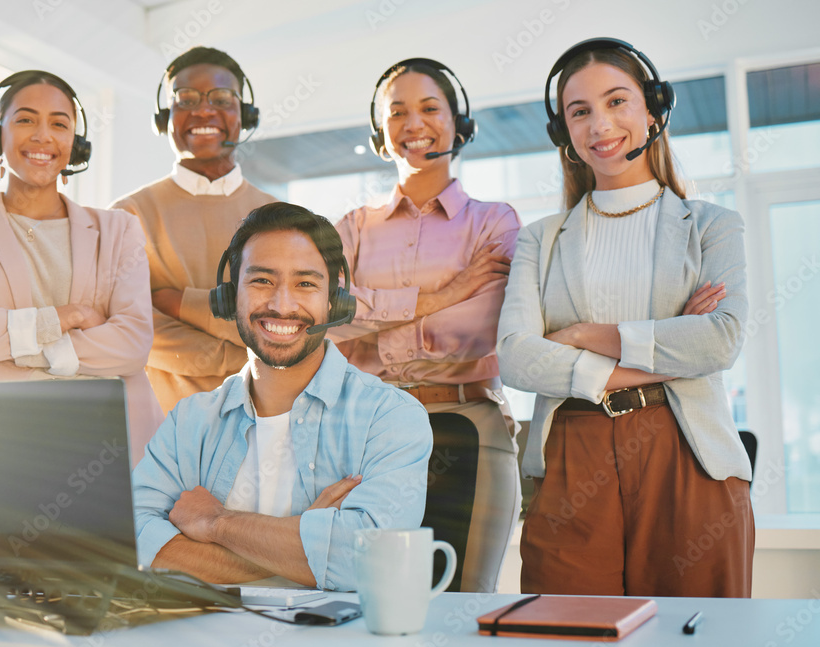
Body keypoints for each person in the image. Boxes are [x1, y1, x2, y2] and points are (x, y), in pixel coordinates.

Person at [496, 38, 752, 597]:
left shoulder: (713, 225)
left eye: (617, 102)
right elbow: (516, 357)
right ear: (564, 132)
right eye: (579, 111)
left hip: (688, 452)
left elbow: (721, 339)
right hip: (572, 447)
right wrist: (667, 350)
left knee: (700, 642)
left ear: (652, 110)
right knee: (564, 634)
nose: (600, 124)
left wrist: (586, 337)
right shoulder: (539, 239)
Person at [132, 202, 433, 590]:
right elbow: (136, 545)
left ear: (333, 300)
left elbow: (370, 562)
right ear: (229, 297)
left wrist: (215, 523)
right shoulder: (189, 421)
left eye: (306, 284)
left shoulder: (390, 418)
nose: (282, 305)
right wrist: (307, 539)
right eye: (262, 281)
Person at [329, 58, 522, 593]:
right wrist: (444, 294)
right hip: (370, 436)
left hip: (471, 427)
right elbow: (322, 316)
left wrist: (374, 321)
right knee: (365, 598)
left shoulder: (495, 221)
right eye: (398, 112)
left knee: (462, 600)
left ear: (458, 123)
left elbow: (484, 324)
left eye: (430, 108)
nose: (414, 123)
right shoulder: (352, 228)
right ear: (380, 134)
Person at [0, 70, 162, 465]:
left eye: (59, 124)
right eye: (26, 119)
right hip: (1, 442)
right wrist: (72, 317)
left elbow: (132, 347)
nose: (42, 136)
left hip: (112, 443)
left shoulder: (119, 229)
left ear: (75, 144)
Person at [112, 46, 277, 414]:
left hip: (268, 426)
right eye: (186, 99)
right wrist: (239, 354)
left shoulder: (282, 218)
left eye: (221, 98)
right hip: (160, 429)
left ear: (245, 115)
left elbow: (291, 324)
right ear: (164, 117)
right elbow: (130, 329)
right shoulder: (126, 216)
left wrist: (176, 301)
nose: (203, 110)